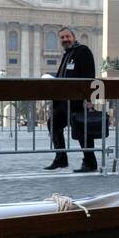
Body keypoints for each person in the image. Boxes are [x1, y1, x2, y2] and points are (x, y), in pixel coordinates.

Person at [44, 25, 98, 172]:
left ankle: (90, 162)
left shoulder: (83, 51)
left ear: (74, 37)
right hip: (62, 102)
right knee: (53, 124)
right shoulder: (67, 54)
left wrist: (89, 100)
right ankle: (61, 159)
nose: (65, 39)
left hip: (78, 102)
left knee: (82, 132)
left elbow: (89, 76)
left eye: (67, 36)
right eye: (62, 37)